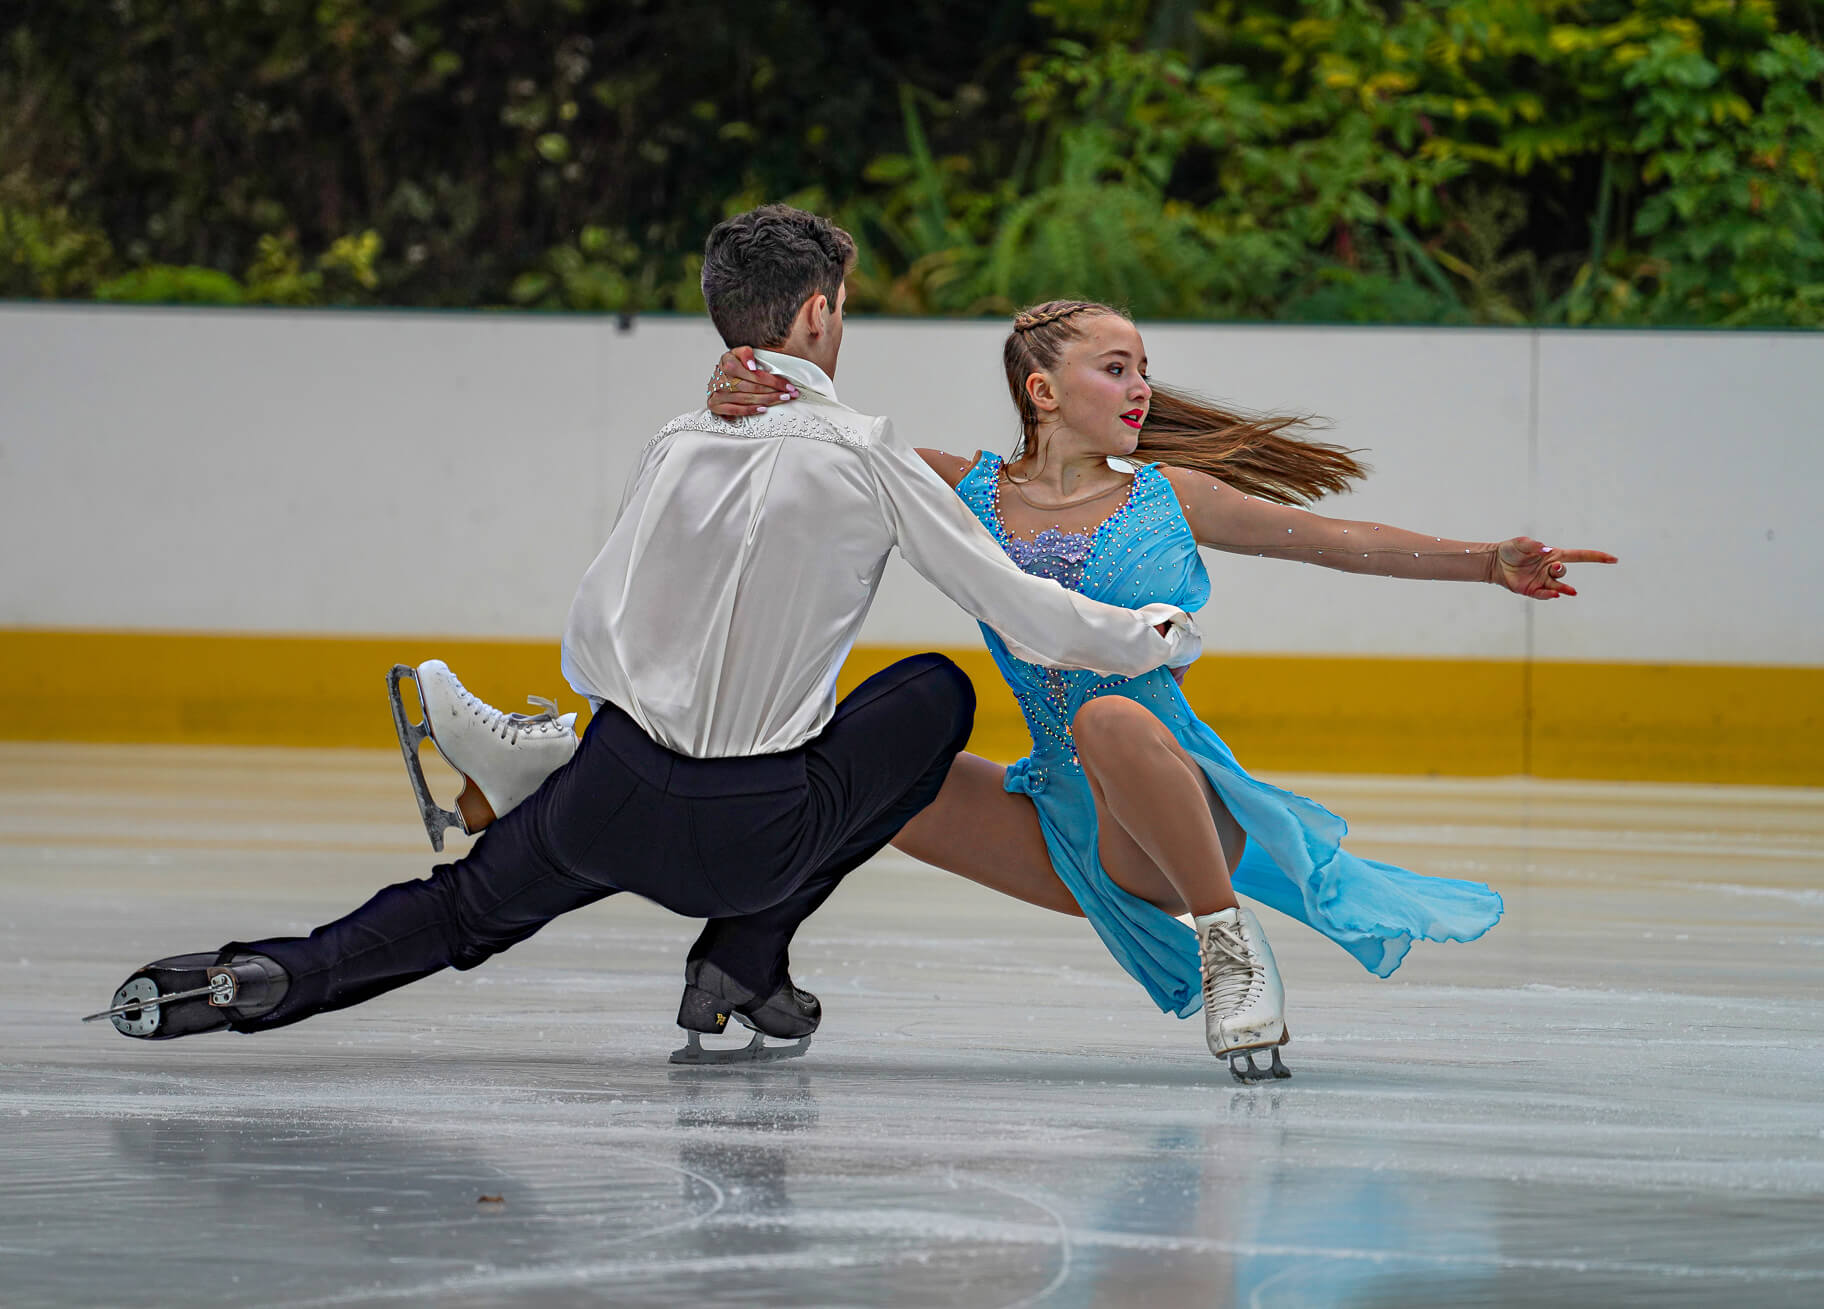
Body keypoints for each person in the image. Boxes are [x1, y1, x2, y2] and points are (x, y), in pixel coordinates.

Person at [86, 208, 1202, 1066]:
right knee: (931, 697)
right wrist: (1151, 635)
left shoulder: (677, 439)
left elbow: (596, 626)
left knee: (459, 911)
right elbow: (1024, 612)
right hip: (759, 830)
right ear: (818, 315)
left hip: (611, 795)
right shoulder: (868, 453)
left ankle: (252, 979)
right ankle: (740, 952)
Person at [696, 298, 1616, 1078]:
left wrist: (1486, 562)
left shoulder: (1171, 495)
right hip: (1055, 823)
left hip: (1174, 815)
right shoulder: (964, 490)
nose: (1141, 387)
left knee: (1108, 715)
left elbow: (1341, 543)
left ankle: (1230, 947)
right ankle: (743, 956)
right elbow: (825, 446)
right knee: (860, 762)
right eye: (1116, 368)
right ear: (1042, 392)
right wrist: (739, 388)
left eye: (1144, 369)